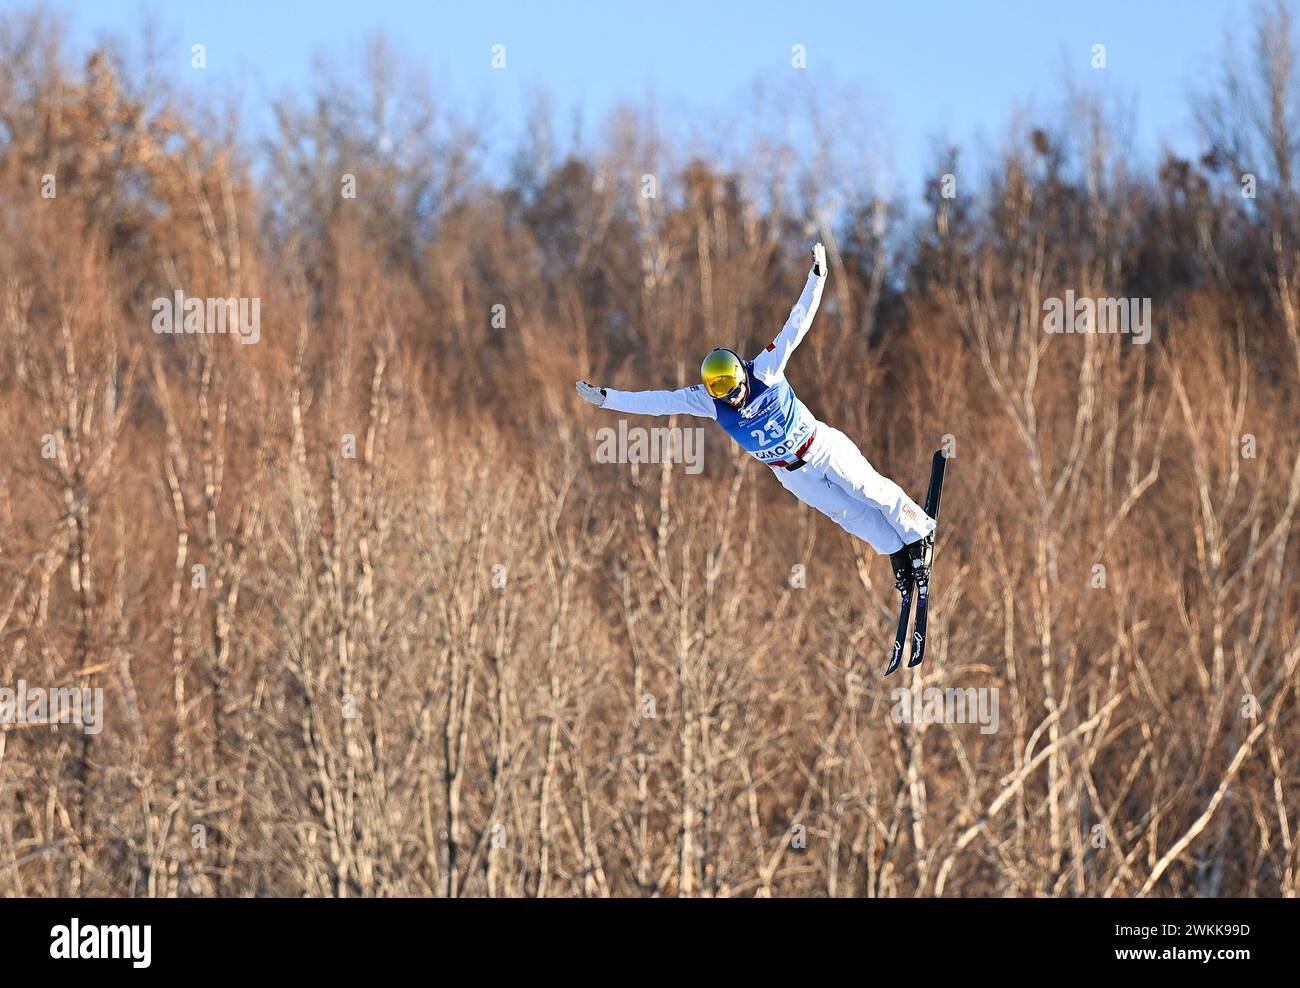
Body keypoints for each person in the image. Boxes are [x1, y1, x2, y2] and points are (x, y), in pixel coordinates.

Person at [576, 243, 935, 590]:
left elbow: (796, 326)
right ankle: (895, 550)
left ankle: (918, 531)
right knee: (846, 514)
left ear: (740, 374)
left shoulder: (765, 370)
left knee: (866, 488)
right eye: (722, 394)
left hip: (820, 447)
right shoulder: (708, 400)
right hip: (790, 473)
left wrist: (818, 275)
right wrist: (608, 400)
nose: (732, 399)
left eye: (733, 389)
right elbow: (660, 402)